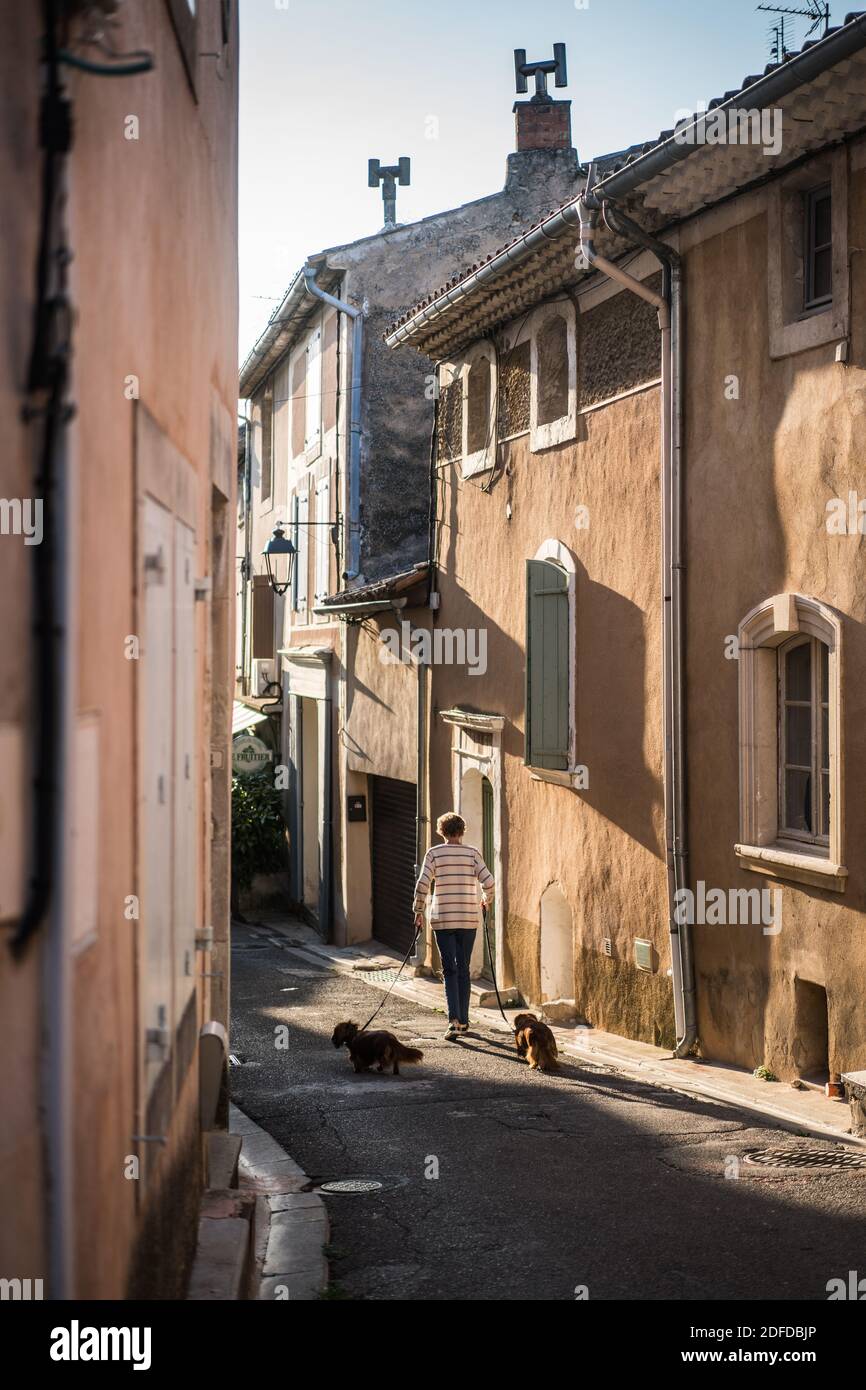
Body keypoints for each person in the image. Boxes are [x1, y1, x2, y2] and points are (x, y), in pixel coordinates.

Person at [413, 811, 495, 1040]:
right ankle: (465, 1021)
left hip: (443, 918)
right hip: (468, 918)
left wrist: (418, 911)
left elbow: (422, 884)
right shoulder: (473, 854)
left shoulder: (435, 854)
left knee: (449, 969)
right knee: (464, 969)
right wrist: (486, 900)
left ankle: (454, 1021)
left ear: (441, 831)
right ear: (462, 831)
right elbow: (489, 882)